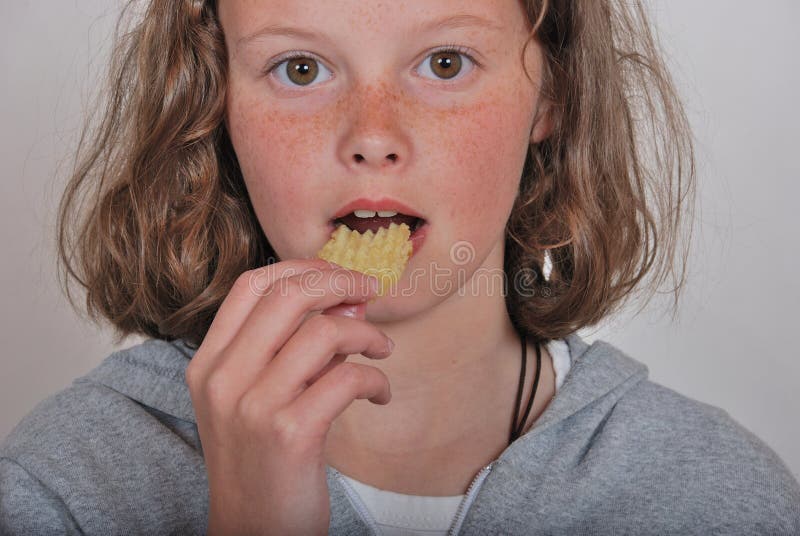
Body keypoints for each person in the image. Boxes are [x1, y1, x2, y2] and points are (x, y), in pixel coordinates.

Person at [1, 0, 798, 534]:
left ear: (551, 95)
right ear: (216, 105)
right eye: (302, 69)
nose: (373, 136)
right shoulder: (61, 492)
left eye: (445, 63)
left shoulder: (720, 499)